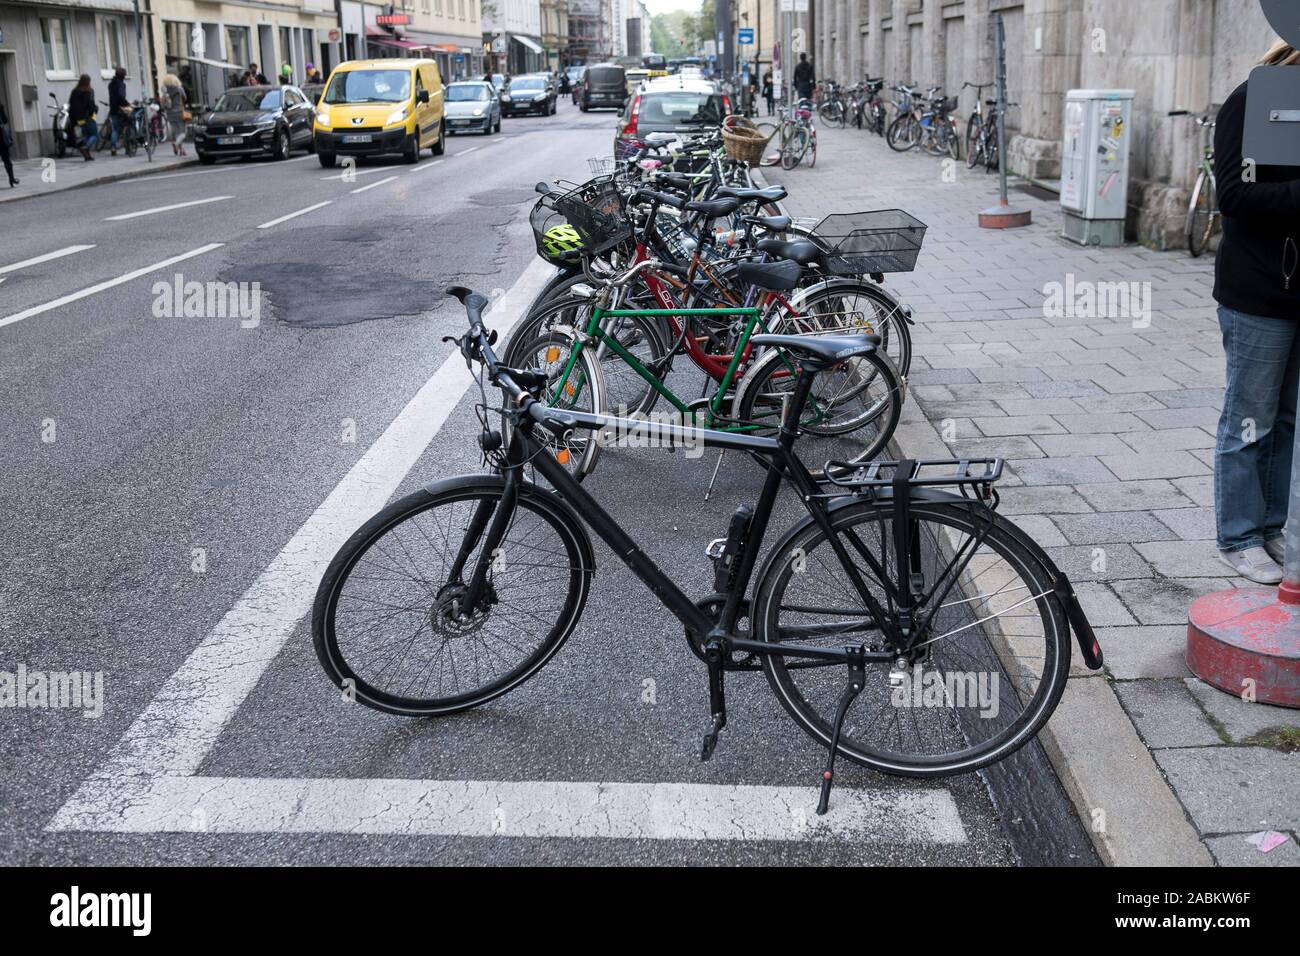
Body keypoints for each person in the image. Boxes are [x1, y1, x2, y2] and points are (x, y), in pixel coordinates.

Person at [1212, 38, 1300, 583]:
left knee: (1284, 418)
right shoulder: (1249, 101)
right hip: (1259, 291)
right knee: (1250, 416)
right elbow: (1234, 196)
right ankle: (1238, 536)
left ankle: (1270, 527)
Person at [67, 74, 98, 161]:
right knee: (94, 135)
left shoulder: (74, 91)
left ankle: (87, 156)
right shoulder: (89, 91)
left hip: (78, 119)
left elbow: (71, 105)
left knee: (84, 135)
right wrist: (94, 114)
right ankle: (86, 147)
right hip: (88, 117)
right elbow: (91, 105)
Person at [161, 73, 188, 156]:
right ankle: (176, 144)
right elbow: (185, 98)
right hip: (179, 112)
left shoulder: (165, 91)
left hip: (169, 113)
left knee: (177, 132)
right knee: (183, 132)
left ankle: (181, 150)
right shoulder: (179, 89)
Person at [107, 66, 130, 155]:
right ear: (123, 76)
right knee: (128, 125)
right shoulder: (121, 84)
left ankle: (113, 146)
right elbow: (121, 97)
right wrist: (127, 104)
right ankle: (127, 145)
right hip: (121, 108)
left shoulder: (111, 84)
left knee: (115, 129)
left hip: (113, 108)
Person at [0, 101, 16, 187]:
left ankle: (12, 178)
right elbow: (5, 120)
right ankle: (11, 179)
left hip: (2, 140)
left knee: (7, 160)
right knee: (7, 160)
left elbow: (5, 120)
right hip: (1, 139)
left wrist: (2, 109)